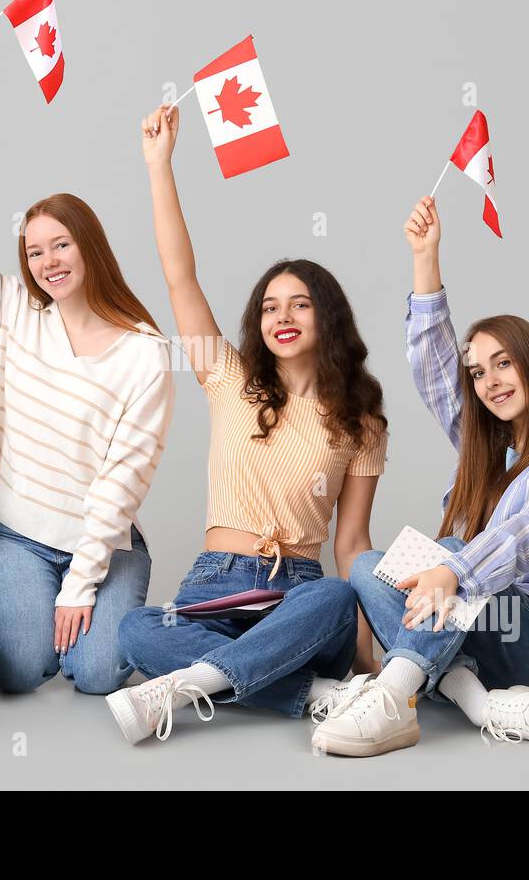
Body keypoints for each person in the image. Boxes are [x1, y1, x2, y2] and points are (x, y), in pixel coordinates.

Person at [108, 104, 388, 745]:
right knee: (136, 631)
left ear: (329, 318)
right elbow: (181, 278)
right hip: (215, 583)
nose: (281, 316)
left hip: (299, 594)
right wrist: (160, 167)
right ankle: (312, 694)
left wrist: (376, 654)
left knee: (337, 598)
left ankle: (191, 685)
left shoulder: (361, 421)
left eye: (299, 304)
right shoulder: (231, 381)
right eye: (269, 306)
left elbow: (352, 546)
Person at [313, 195, 529, 757]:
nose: (490, 381)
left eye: (503, 362)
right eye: (477, 372)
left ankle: (392, 698)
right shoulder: (486, 452)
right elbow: (433, 371)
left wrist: (453, 569)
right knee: (371, 568)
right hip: (470, 627)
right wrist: (426, 258)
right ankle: (485, 704)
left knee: (448, 548)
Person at [0, 69, 174, 696]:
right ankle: (35, 605)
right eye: (34, 252)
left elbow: (122, 480)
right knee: (20, 670)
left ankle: (98, 601)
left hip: (103, 544)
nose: (48, 262)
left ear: (90, 248)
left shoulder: (146, 354)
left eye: (61, 246)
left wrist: (81, 585)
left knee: (99, 674)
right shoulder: (14, 317)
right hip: (19, 537)